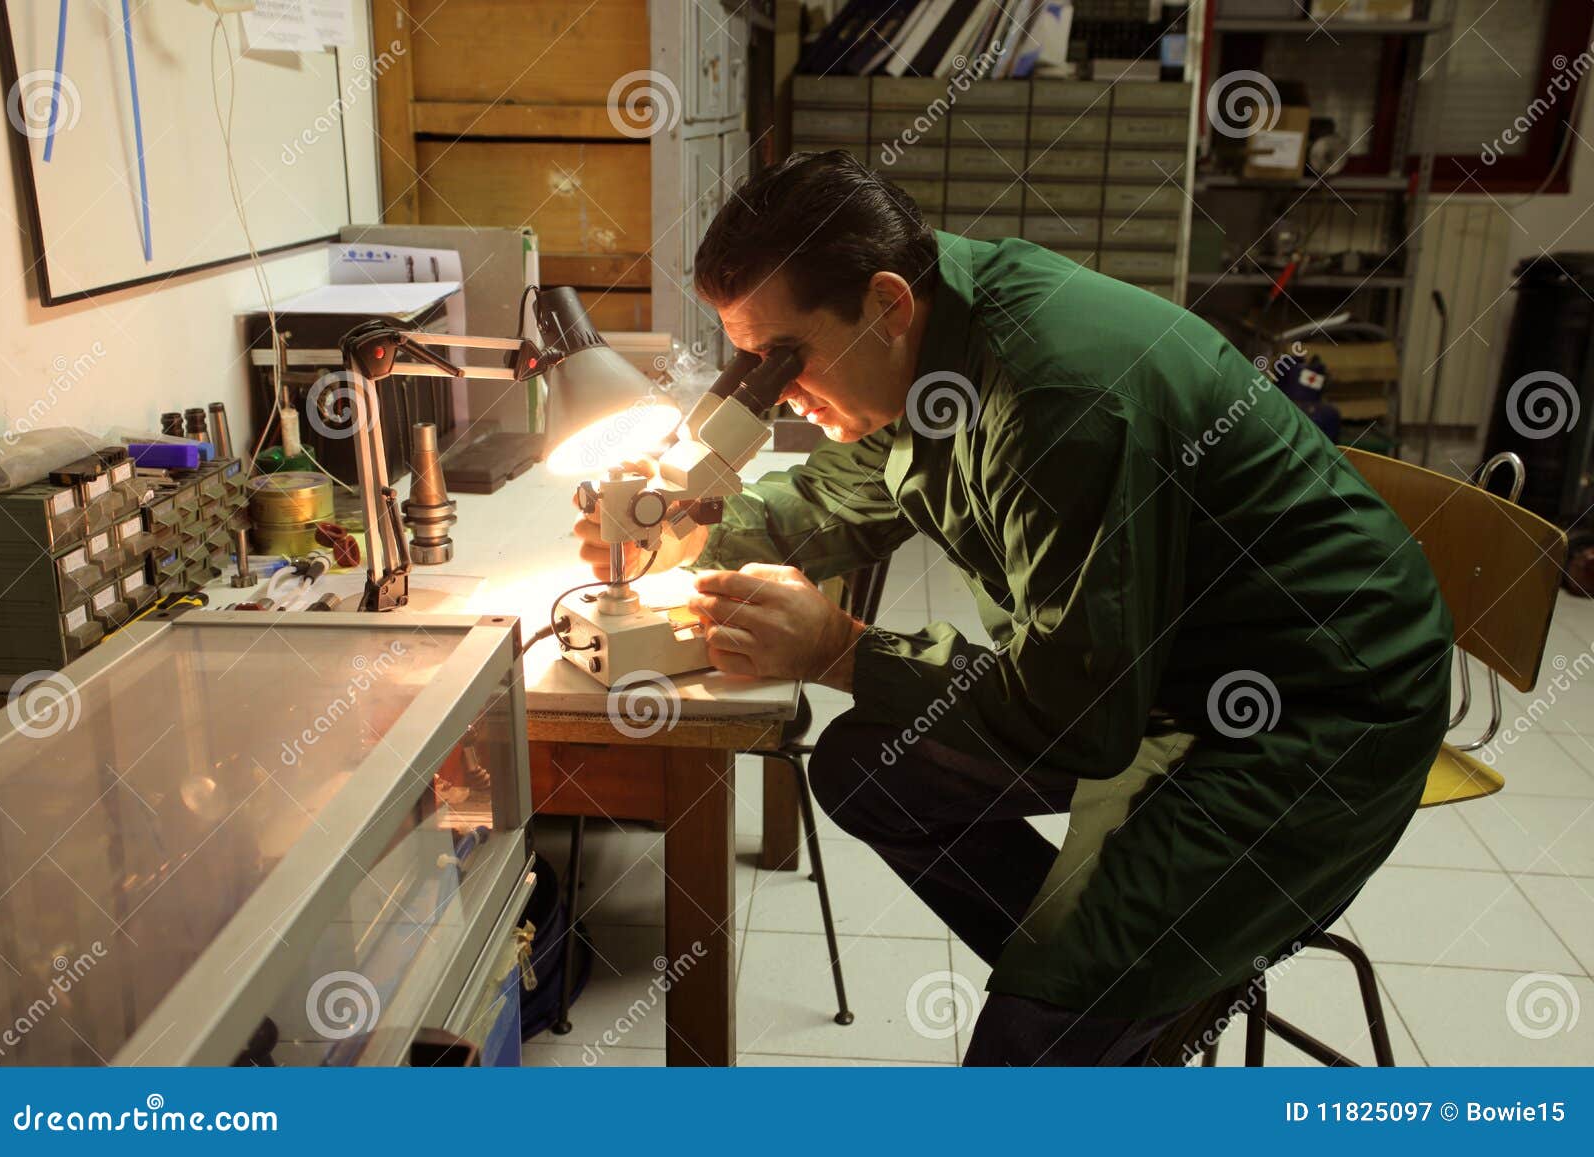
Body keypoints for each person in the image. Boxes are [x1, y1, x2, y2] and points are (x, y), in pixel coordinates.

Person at [572, 151, 1453, 1065]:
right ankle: (1121, 997)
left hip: (1308, 710)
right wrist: (697, 529)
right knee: (868, 769)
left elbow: (1080, 719)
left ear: (883, 303)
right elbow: (848, 487)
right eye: (749, 362)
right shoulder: (926, 318)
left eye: (782, 359)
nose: (770, 392)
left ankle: (1109, 989)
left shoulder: (1059, 394)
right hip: (1147, 675)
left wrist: (841, 651)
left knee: (1023, 1056)